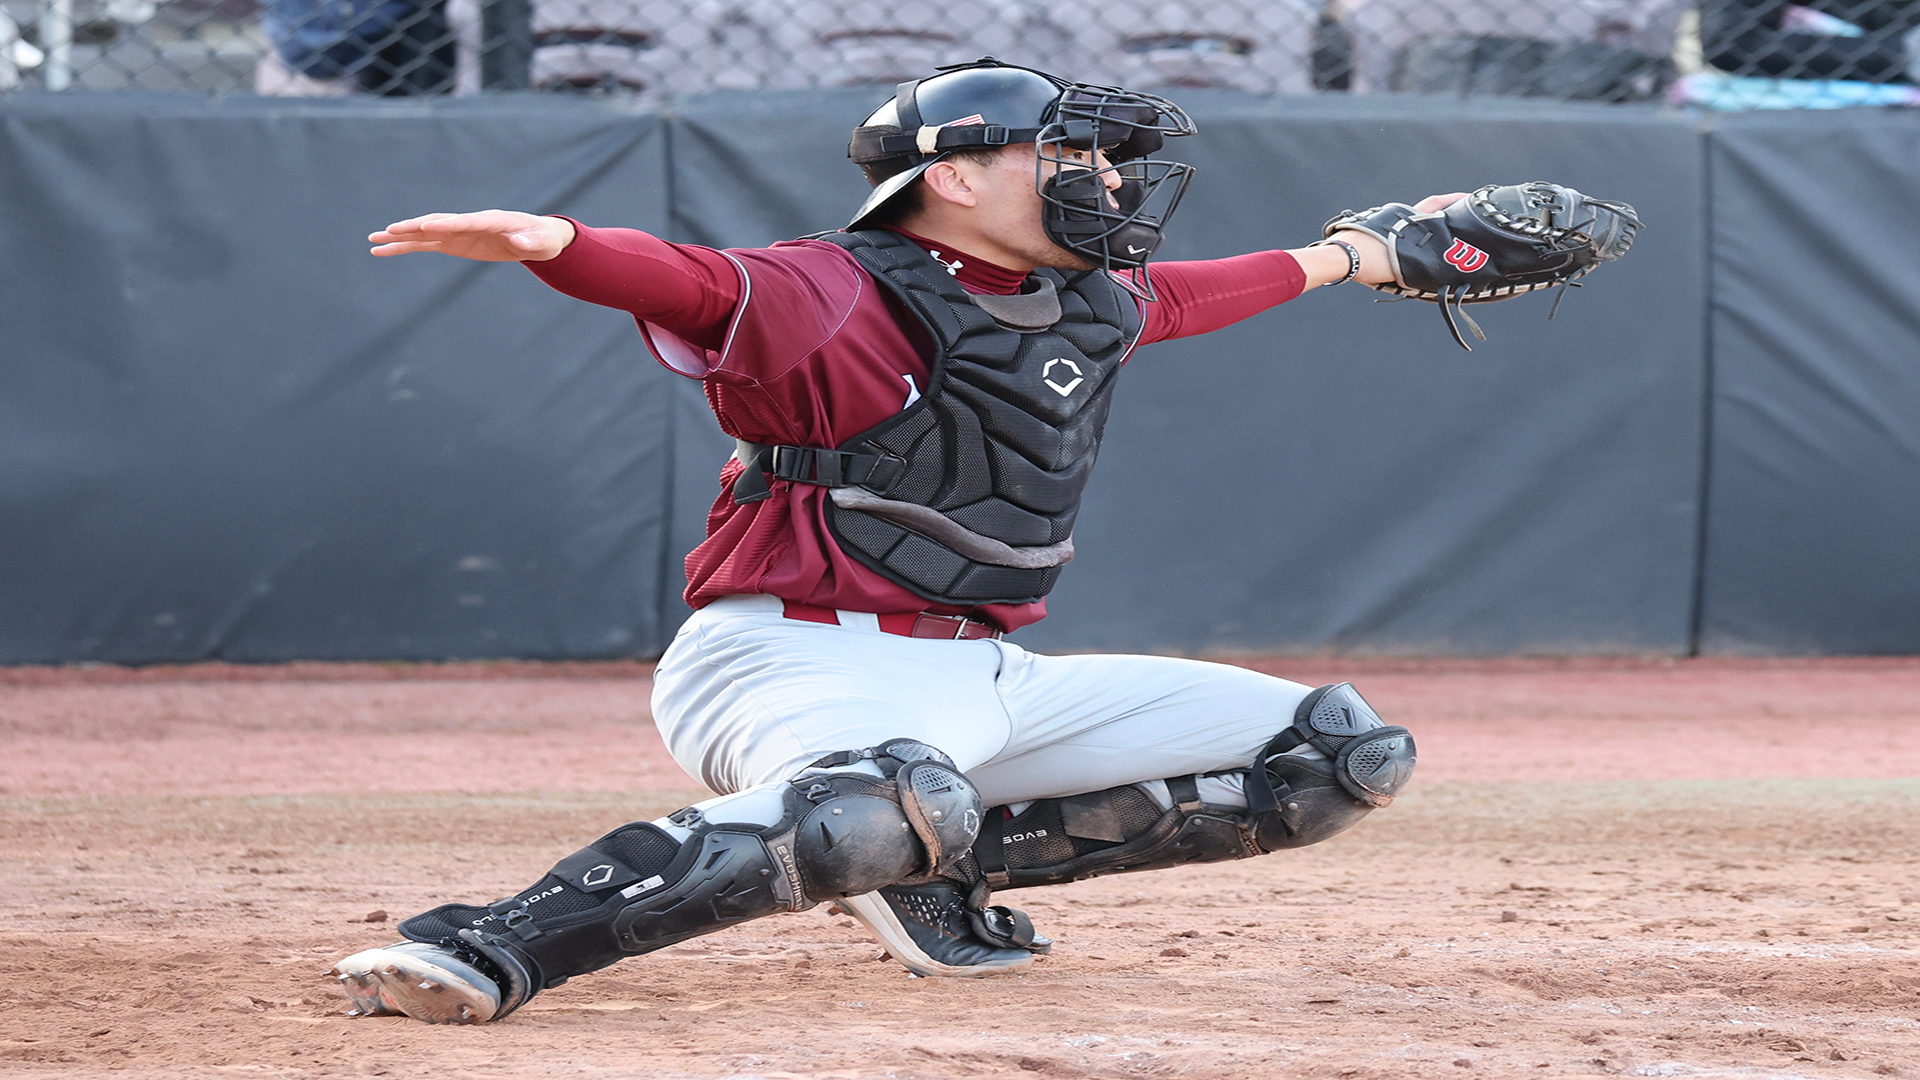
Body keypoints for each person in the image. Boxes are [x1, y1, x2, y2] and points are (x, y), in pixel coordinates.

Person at [331, 58, 1427, 1025]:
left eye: (1101, 161)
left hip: (984, 674)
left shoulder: (1088, 302)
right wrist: (560, 244)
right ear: (952, 177)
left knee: (1335, 757)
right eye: (1065, 155)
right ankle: (488, 945)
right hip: (790, 660)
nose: (1100, 179)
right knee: (867, 804)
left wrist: (1358, 255)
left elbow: (1200, 292)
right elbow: (697, 281)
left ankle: (924, 868)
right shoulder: (833, 285)